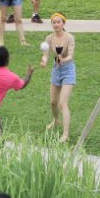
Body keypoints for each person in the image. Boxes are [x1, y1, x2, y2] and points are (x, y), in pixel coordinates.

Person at [41, 12, 75, 143]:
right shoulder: (49, 38)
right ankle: (56, 121)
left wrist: (63, 59)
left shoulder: (70, 38)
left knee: (62, 103)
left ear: (63, 23)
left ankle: (65, 134)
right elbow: (45, 54)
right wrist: (44, 61)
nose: (56, 24)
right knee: (53, 102)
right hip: (56, 69)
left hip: (68, 70)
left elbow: (71, 55)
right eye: (54, 22)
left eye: (58, 22)